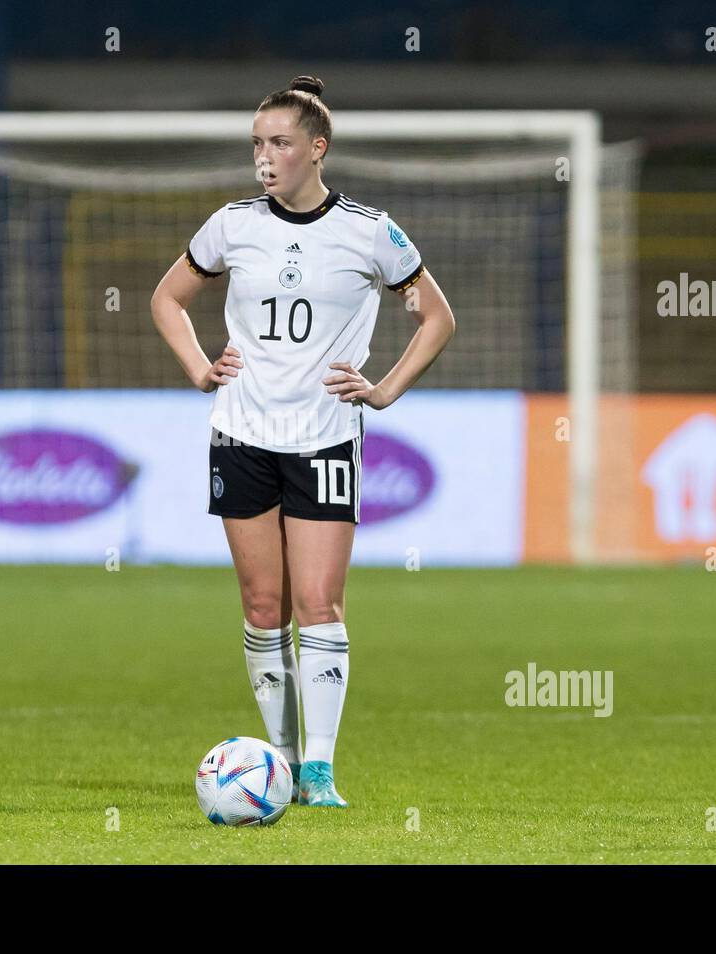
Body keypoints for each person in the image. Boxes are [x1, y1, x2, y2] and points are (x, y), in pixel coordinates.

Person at [150, 76, 456, 806]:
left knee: (319, 602)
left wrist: (384, 390)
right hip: (241, 435)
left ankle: (318, 769)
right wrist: (198, 368)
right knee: (264, 606)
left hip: (323, 438)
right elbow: (167, 298)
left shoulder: (369, 231)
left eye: (280, 143)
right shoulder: (231, 225)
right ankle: (279, 763)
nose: (264, 156)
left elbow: (436, 317)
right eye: (257, 143)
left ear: (317, 149)